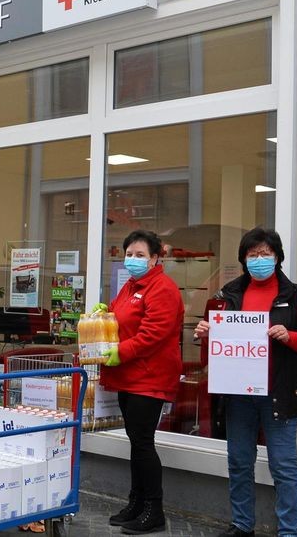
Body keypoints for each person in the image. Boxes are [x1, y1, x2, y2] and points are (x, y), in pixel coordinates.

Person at [195, 227, 297, 537]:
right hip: (239, 394)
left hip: (279, 394)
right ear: (243, 260)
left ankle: (290, 531)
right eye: (253, 255)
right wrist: (205, 333)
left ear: (278, 258)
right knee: (239, 462)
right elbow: (210, 353)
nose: (259, 260)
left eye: (266, 254)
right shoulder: (227, 294)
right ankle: (242, 525)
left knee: (284, 467)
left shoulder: (295, 295)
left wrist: (289, 336)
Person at [100, 229, 185, 535]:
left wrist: (119, 352)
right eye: (129, 254)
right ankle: (136, 503)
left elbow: (152, 335)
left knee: (143, 443)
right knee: (136, 442)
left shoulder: (162, 288)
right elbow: (121, 316)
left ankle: (153, 509)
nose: (132, 259)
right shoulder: (132, 286)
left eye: (140, 255)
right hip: (129, 375)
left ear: (154, 258)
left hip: (149, 376)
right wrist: (104, 315)